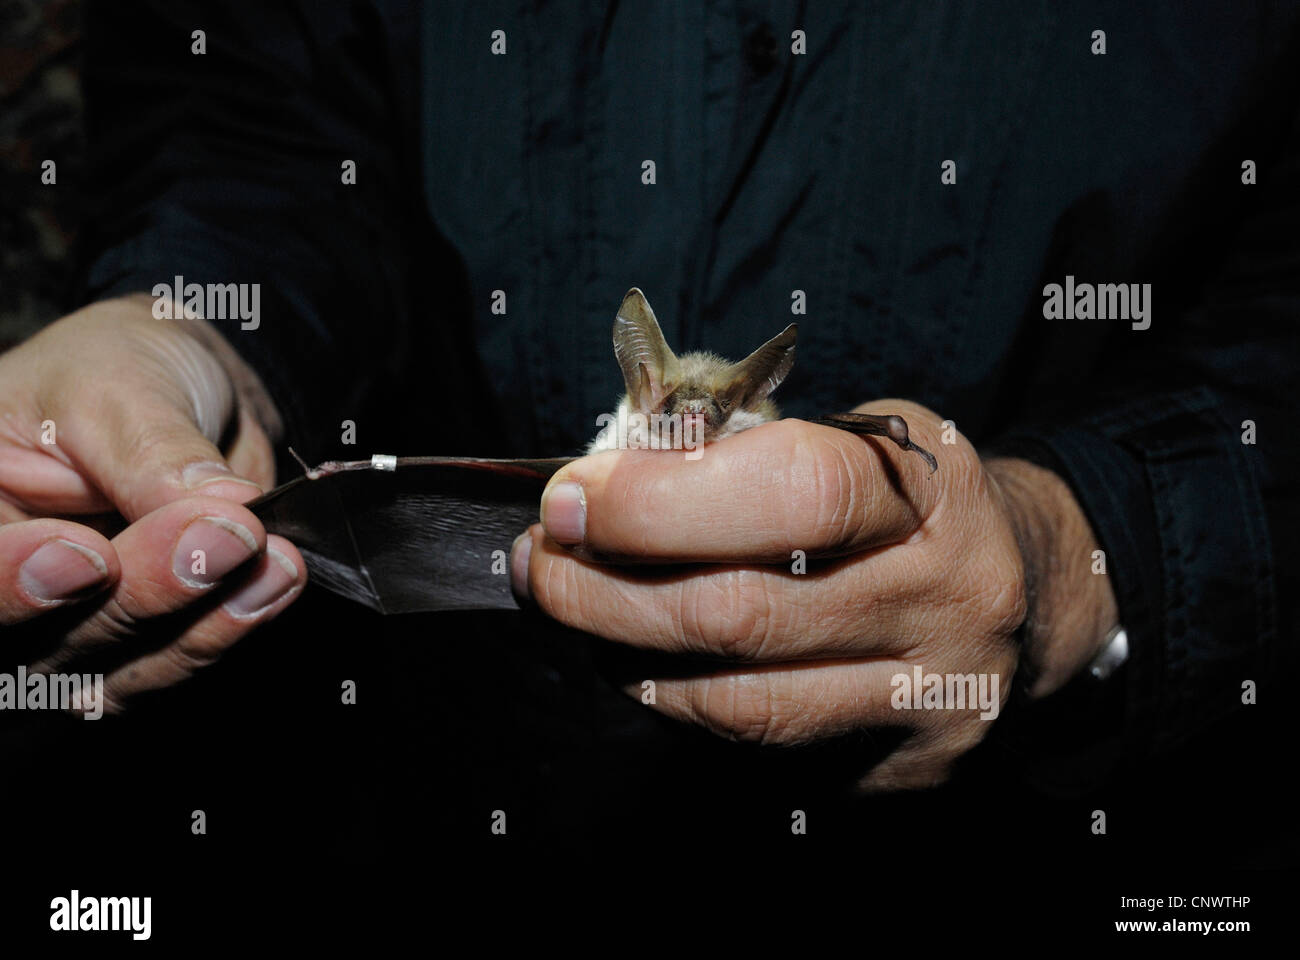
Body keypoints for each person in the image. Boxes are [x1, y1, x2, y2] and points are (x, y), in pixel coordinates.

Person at [2, 0, 1294, 794]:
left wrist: (1091, 545)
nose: (677, 437)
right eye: (663, 419)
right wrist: (195, 317)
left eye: (694, 424)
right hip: (433, 744)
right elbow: (260, 103)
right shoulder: (635, 420)